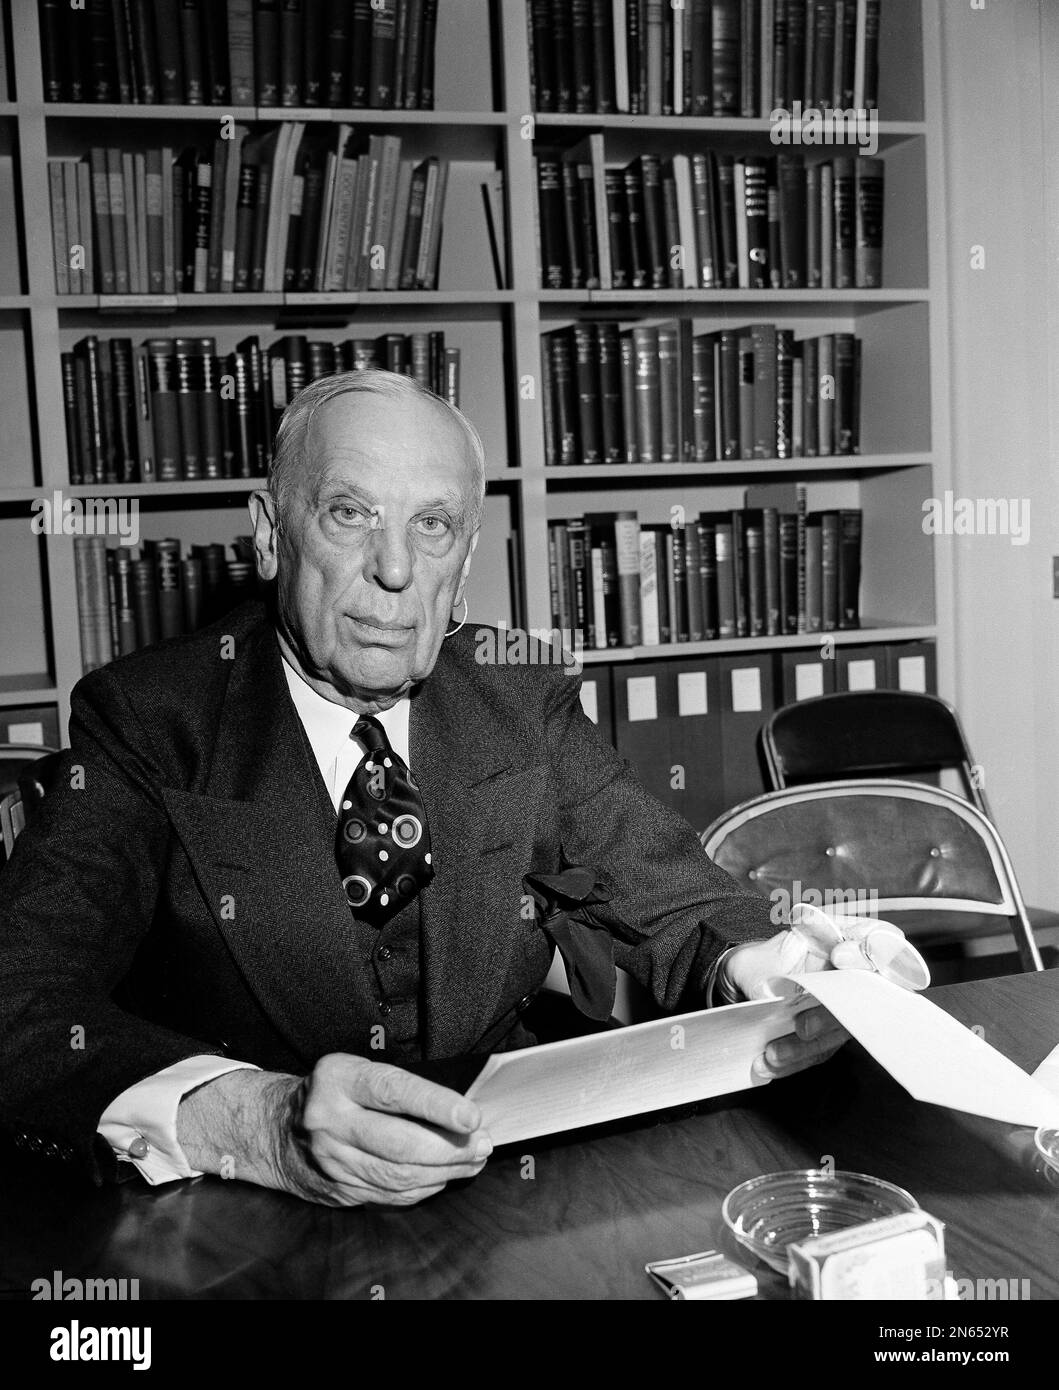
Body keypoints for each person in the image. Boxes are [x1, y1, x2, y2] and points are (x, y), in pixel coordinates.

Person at [0, 371, 864, 1209]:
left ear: (469, 553)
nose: (394, 569)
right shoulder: (147, 718)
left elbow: (667, 891)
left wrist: (787, 974)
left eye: (433, 525)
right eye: (349, 514)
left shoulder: (518, 693)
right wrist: (260, 1126)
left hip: (495, 1178)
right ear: (269, 533)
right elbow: (23, 1001)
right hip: (234, 1214)